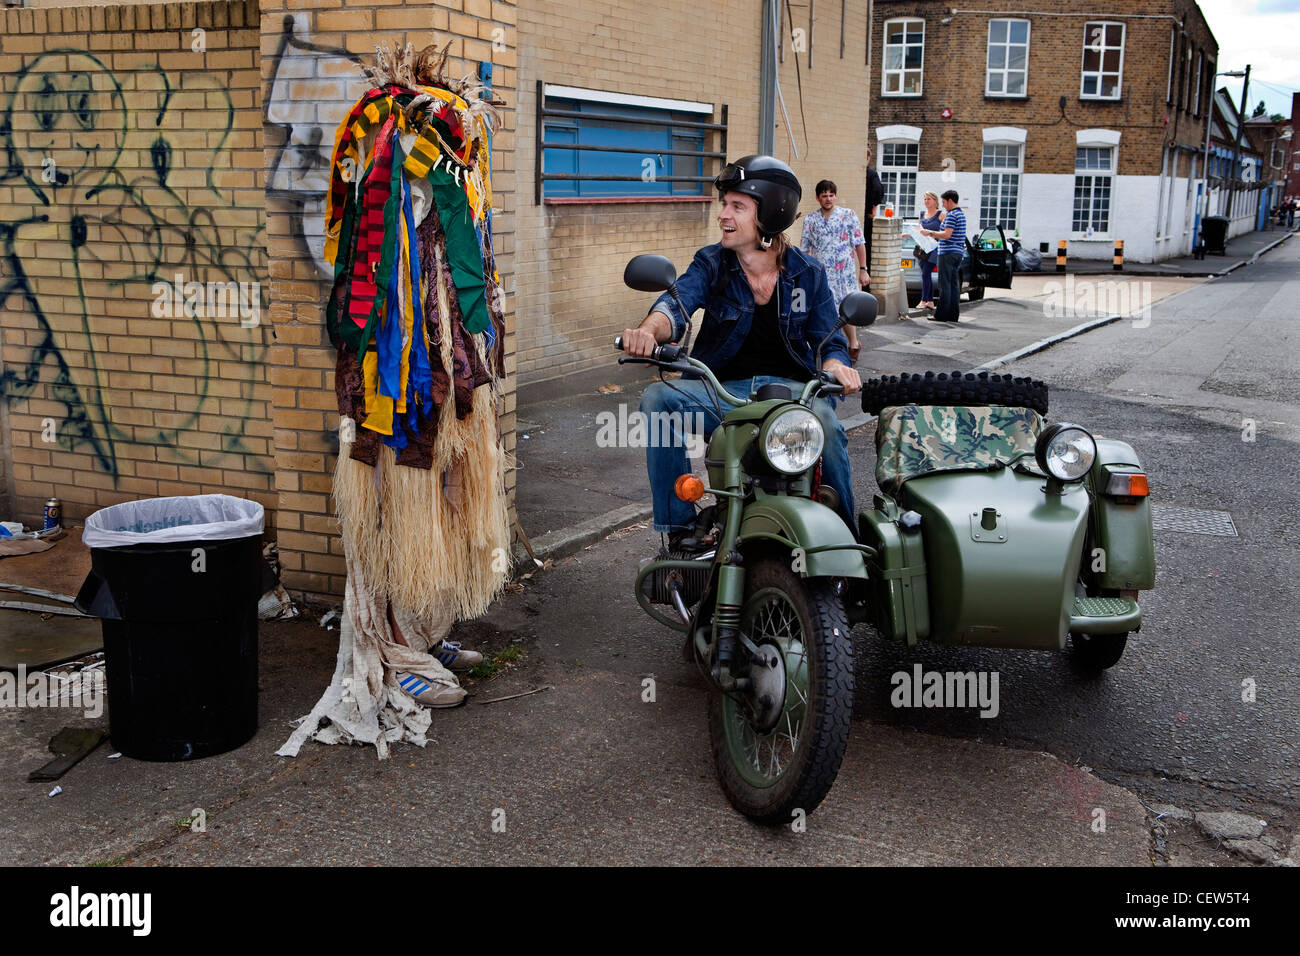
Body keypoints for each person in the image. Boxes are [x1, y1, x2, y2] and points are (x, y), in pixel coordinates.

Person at [620, 155, 862, 541]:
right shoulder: (712, 263)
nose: (723, 215)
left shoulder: (808, 273)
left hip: (793, 398)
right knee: (658, 400)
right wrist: (649, 331)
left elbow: (829, 340)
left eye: (737, 206)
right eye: (724, 204)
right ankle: (680, 533)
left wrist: (837, 364)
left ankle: (848, 542)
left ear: (769, 213)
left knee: (828, 426)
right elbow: (677, 303)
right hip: (721, 395)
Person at [800, 179, 869, 362]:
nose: (828, 199)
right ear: (818, 198)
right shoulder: (811, 220)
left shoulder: (848, 215)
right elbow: (804, 249)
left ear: (836, 196)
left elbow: (859, 244)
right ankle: (833, 350)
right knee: (828, 311)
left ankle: (853, 342)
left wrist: (863, 269)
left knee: (848, 308)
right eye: (824, 196)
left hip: (845, 273)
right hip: (823, 274)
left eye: (831, 195)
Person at [921, 189, 966, 323]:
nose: (943, 205)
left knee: (944, 285)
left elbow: (946, 234)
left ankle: (940, 315)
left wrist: (929, 232)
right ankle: (953, 315)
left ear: (950, 201)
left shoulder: (951, 215)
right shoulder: (961, 214)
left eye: (944, 202)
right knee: (953, 285)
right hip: (957, 252)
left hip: (947, 253)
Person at [915, 190, 944, 310]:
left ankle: (924, 300)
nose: (926, 201)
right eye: (925, 199)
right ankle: (930, 301)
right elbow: (918, 231)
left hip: (934, 249)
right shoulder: (922, 215)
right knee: (925, 275)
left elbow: (945, 232)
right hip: (922, 249)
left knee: (926, 273)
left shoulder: (941, 215)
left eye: (929, 199)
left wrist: (933, 235)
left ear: (935, 201)